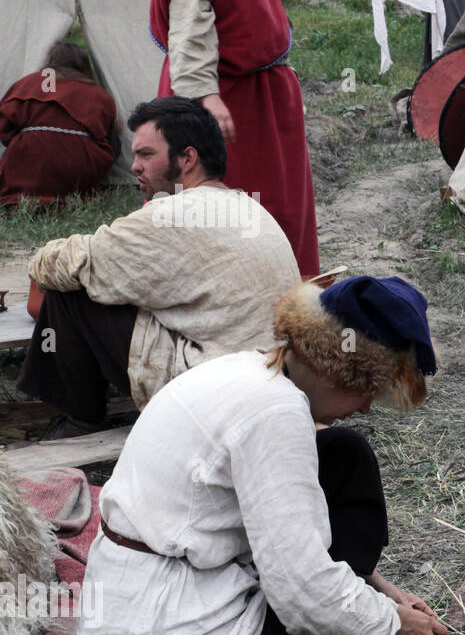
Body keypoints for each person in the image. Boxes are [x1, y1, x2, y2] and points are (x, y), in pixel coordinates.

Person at [79, 276, 446, 635]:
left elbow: (281, 531)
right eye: (370, 393)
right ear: (343, 374)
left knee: (343, 454)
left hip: (157, 593)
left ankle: (344, 606)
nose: (364, 408)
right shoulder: (275, 416)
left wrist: (378, 589)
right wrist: (390, 622)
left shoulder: (248, 371)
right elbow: (302, 594)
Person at [18, 96, 299, 435]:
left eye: (146, 155)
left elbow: (68, 263)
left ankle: (82, 420)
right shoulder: (249, 207)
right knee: (111, 277)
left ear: (188, 158)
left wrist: (40, 264)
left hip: (215, 393)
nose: (135, 165)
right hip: (273, 380)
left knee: (76, 286)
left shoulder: (170, 214)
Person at [149, 0, 321, 277]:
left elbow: (227, 15)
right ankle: (243, 295)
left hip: (258, 100)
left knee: (276, 206)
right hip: (229, 100)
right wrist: (206, 98)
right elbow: (189, 33)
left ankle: (279, 290)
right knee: (235, 214)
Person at [0, 43, 119, 207]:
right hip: (80, 164)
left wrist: (28, 142)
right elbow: (111, 141)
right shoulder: (99, 94)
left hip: (26, 163)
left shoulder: (26, 84)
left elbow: (4, 129)